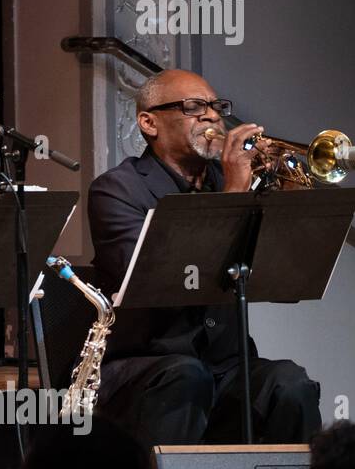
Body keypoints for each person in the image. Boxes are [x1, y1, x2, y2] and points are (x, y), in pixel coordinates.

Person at [87, 68, 321, 446]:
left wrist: (289, 193)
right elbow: (160, 280)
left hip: (225, 366)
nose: (212, 116)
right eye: (194, 107)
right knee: (186, 376)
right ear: (149, 123)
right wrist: (232, 195)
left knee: (289, 384)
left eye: (216, 107)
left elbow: (286, 275)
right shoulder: (117, 189)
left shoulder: (231, 180)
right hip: (144, 366)